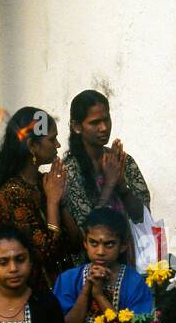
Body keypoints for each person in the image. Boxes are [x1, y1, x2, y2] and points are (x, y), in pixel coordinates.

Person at [0, 106, 73, 292]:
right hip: (30, 296)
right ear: (32, 146)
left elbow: (76, 243)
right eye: (52, 139)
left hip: (63, 290)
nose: (58, 145)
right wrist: (52, 202)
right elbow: (44, 253)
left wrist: (60, 200)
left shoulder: (44, 183)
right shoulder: (12, 194)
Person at [63, 90, 151, 265]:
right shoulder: (70, 171)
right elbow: (87, 230)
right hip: (90, 269)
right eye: (94, 122)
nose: (103, 128)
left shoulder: (123, 161)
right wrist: (109, 184)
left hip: (130, 261)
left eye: (106, 119)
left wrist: (121, 186)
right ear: (76, 126)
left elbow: (142, 216)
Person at [54, 207, 154, 323]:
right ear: (85, 243)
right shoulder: (68, 279)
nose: (100, 252)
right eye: (94, 243)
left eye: (109, 244)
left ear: (123, 246)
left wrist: (99, 296)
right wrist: (86, 291)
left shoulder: (134, 283)